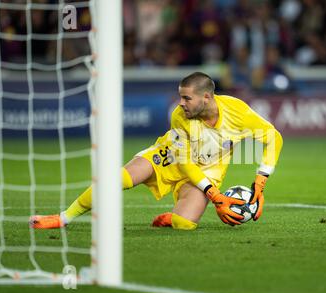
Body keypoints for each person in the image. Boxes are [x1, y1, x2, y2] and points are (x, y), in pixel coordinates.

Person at [30, 72, 283, 230]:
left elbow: (274, 137)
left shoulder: (237, 112)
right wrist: (216, 196)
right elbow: (184, 163)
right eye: (180, 97)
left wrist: (260, 183)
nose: (181, 103)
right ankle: (63, 218)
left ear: (207, 98)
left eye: (187, 98)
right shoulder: (179, 116)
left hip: (208, 170)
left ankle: (170, 218)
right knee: (121, 179)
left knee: (185, 225)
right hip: (170, 157)